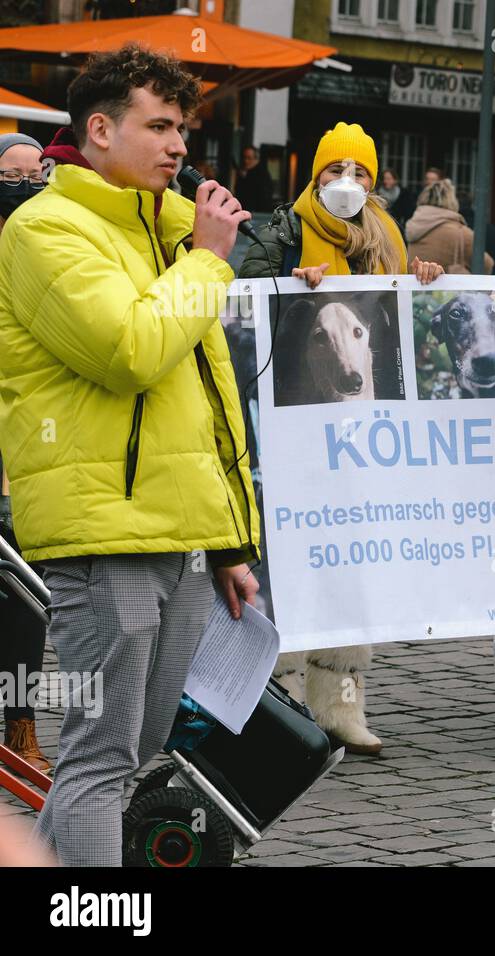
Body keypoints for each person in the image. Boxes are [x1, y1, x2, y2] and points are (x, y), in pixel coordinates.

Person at [0, 45, 259, 865]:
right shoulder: (45, 228)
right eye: (159, 125)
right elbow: (129, 349)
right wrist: (207, 261)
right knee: (100, 753)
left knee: (138, 743)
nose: (178, 144)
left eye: (182, 126)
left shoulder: (165, 231)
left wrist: (229, 541)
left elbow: (209, 402)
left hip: (175, 532)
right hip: (100, 530)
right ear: (101, 130)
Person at [239, 122, 444, 754]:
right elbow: (237, 306)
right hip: (289, 437)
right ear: (314, 175)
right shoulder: (278, 232)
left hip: (359, 440)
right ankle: (281, 705)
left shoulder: (386, 242)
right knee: (288, 566)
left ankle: (343, 705)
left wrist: (425, 279)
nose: (347, 184)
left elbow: (396, 331)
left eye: (360, 173)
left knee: (354, 569)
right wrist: (282, 286)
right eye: (335, 171)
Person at [0, 132, 51, 771]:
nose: (27, 183)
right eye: (12, 175)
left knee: (23, 600)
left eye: (36, 172)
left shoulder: (51, 240)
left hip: (28, 453)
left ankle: (21, 724)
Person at [405, 178, 492, 274]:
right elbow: (487, 265)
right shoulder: (460, 232)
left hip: (414, 286)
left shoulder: (413, 226)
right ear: (452, 201)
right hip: (445, 288)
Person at [234, 144, 273, 213]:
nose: (246, 161)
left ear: (255, 159)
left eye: (249, 158)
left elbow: (264, 198)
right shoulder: (244, 173)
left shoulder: (262, 174)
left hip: (257, 214)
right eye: (244, 157)